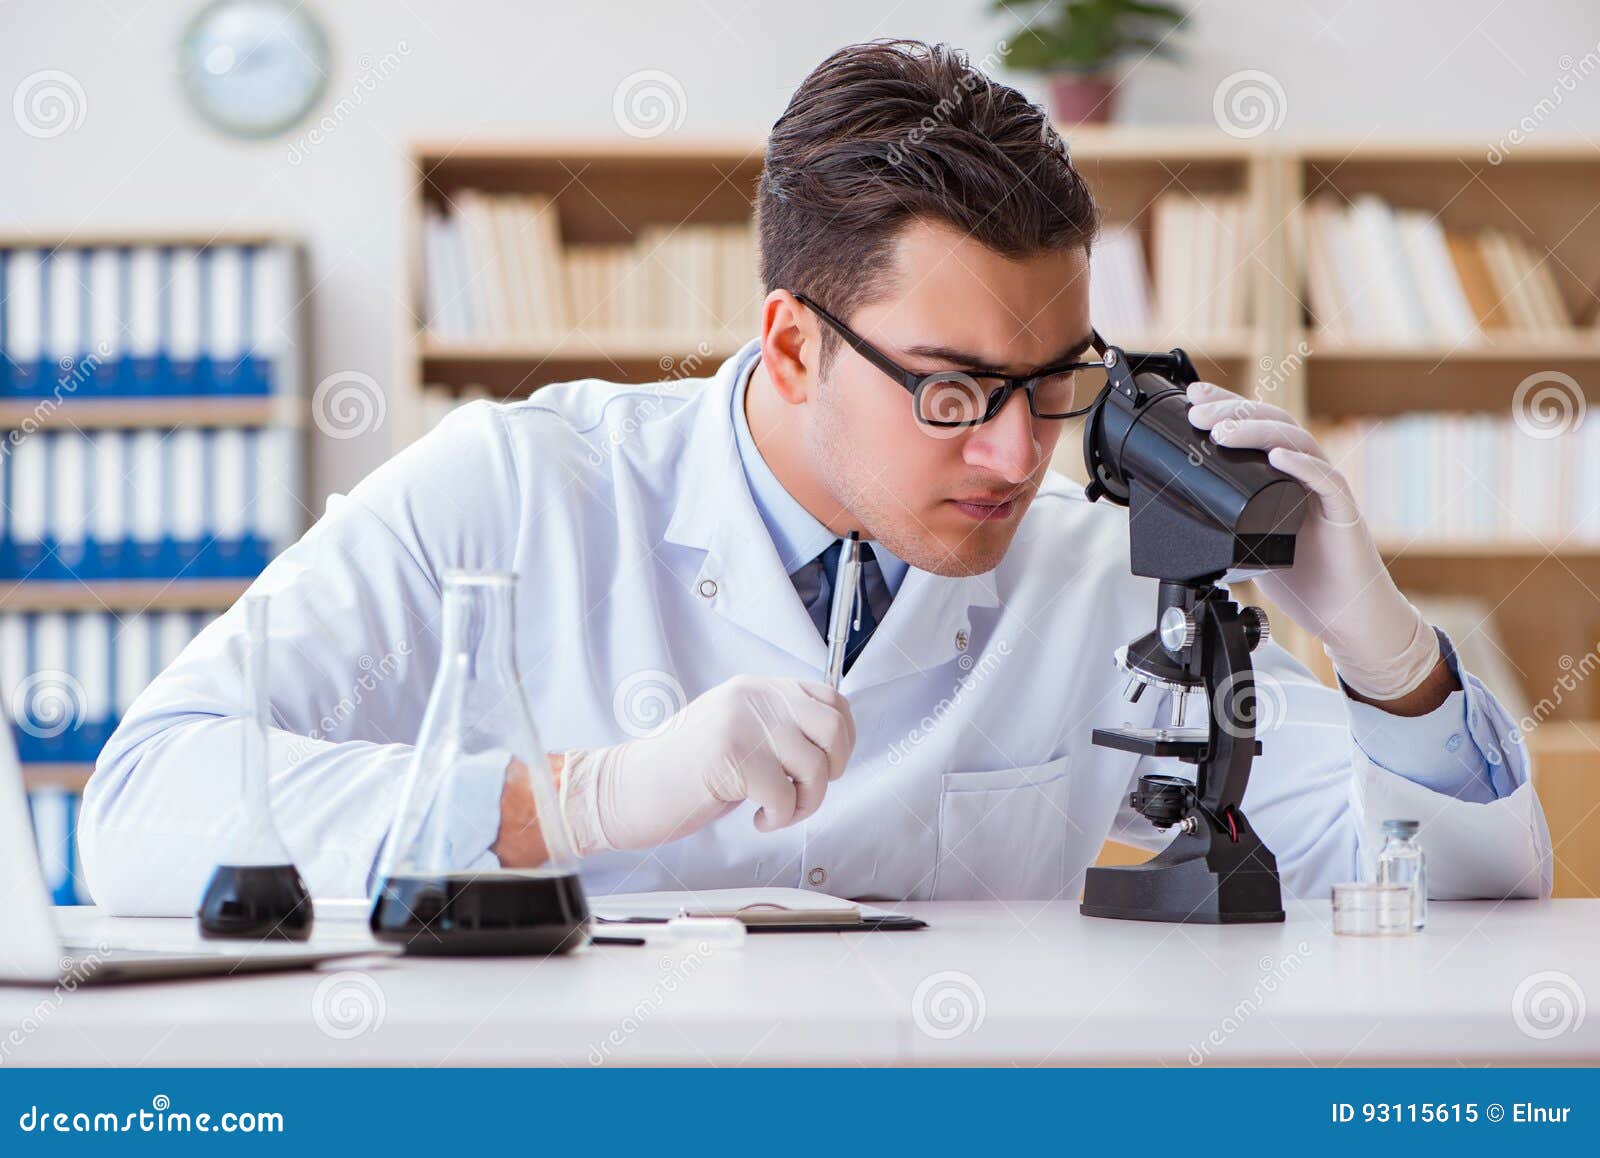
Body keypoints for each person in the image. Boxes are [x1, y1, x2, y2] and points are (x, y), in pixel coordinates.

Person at [80, 40, 1550, 915]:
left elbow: (1471, 900)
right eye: (956, 390)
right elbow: (145, 809)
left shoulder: (1087, 573)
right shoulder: (515, 487)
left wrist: (1388, 651)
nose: (1016, 453)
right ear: (791, 343)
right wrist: (578, 801)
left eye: (1053, 387)